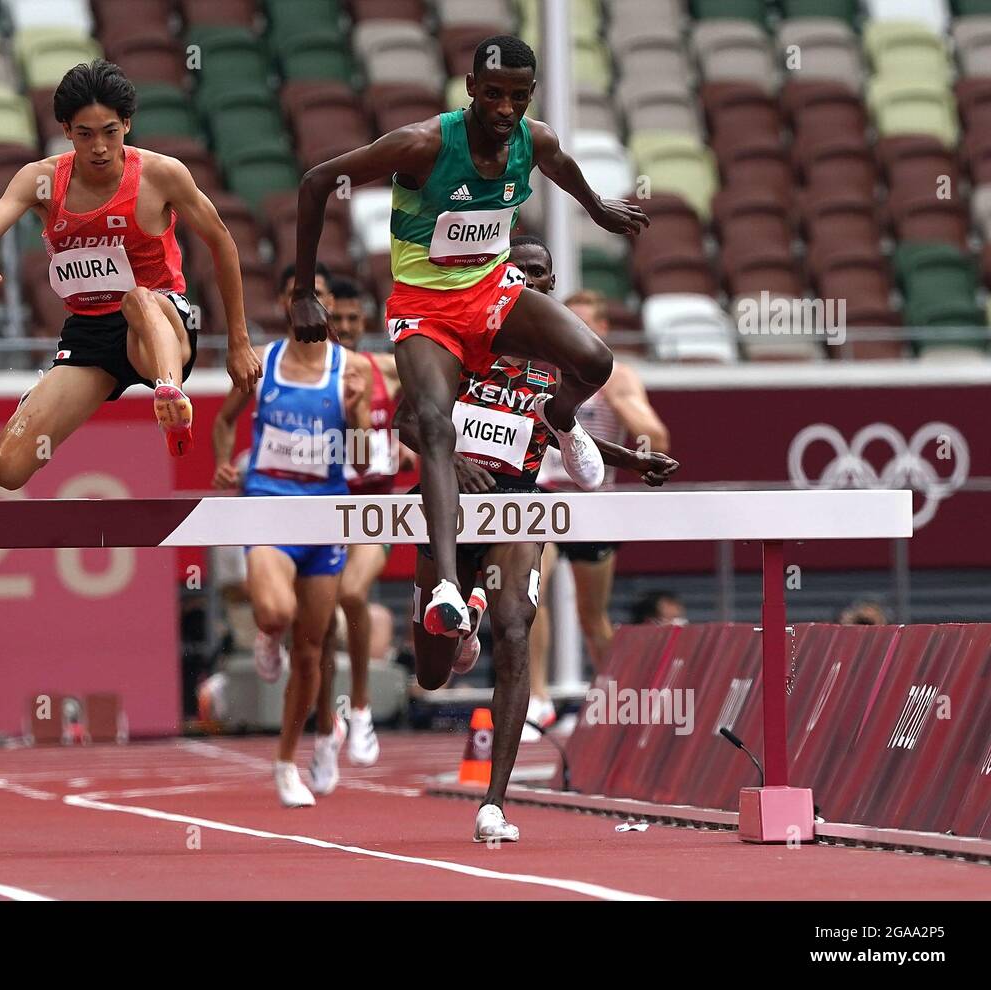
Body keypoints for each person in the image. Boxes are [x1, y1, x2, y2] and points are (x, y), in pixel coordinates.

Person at [291, 34, 649, 642]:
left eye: (517, 96)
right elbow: (317, 181)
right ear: (471, 90)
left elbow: (559, 165)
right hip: (425, 308)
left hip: (491, 293)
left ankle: (561, 421)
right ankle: (450, 591)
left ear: (530, 95)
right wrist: (304, 290)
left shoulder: (535, 141)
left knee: (595, 360)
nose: (505, 108)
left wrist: (594, 207)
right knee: (433, 421)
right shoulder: (424, 144)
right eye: (493, 95)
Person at [394, 345, 678, 841]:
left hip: (517, 508)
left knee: (515, 629)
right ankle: (468, 605)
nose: (530, 284)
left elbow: (564, 436)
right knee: (433, 673)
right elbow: (406, 422)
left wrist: (630, 459)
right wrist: (453, 461)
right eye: (521, 272)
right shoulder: (456, 352)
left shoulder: (551, 369)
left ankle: (494, 804)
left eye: (540, 275)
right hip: (449, 505)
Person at [0, 60, 261, 490]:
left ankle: (171, 398)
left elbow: (223, 243)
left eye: (110, 132)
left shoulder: (161, 175)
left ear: (127, 124)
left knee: (136, 298)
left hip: (161, 326)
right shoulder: (41, 180)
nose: (99, 147)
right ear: (66, 129)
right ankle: (52, 401)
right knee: (6, 469)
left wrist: (239, 341)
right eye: (85, 134)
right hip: (90, 337)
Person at [211, 264, 374, 807]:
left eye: (318, 296)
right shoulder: (262, 363)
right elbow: (224, 420)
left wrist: (356, 418)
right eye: (298, 296)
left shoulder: (351, 368)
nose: (309, 306)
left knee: (311, 654)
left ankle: (285, 762)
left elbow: (359, 462)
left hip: (325, 513)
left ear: (328, 305)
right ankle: (265, 633)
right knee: (276, 613)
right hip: (269, 504)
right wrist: (223, 463)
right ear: (285, 304)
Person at [520, 270, 671, 737]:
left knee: (592, 615)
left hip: (595, 501)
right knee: (530, 595)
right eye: (569, 322)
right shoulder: (541, 364)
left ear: (602, 330)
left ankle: (616, 702)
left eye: (585, 324)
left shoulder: (619, 375)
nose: (576, 332)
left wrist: (613, 396)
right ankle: (537, 700)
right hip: (546, 493)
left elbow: (656, 437)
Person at [330, 275, 411, 766]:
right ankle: (326, 717)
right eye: (335, 319)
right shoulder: (311, 376)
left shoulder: (387, 370)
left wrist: (406, 442)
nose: (343, 327)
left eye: (351, 319)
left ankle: (360, 708)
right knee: (313, 622)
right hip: (323, 506)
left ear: (364, 322)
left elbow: (438, 384)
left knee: (352, 594)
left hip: (374, 511)